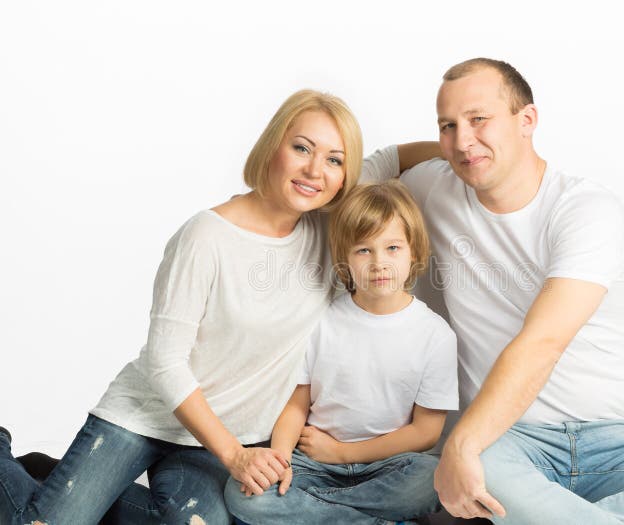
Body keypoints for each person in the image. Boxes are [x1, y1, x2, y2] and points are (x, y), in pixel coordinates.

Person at [361, 58, 624, 524]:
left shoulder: (585, 209)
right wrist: (465, 149)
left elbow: (543, 343)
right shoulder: (437, 187)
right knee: (482, 478)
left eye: (479, 119)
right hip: (507, 443)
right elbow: (385, 162)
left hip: (609, 439)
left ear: (527, 120)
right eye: (448, 126)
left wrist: (462, 446)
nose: (462, 139)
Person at [0, 89, 364, 524]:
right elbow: (165, 361)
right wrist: (235, 457)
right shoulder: (206, 236)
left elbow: (395, 162)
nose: (315, 170)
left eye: (334, 160)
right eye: (302, 148)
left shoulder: (332, 232)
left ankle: (54, 479)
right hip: (146, 417)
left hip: (226, 434)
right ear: (273, 146)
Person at [224, 180, 459, 524]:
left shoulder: (435, 334)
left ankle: (319, 514)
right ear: (345, 260)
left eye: (392, 248)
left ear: (414, 252)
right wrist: (280, 459)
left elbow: (426, 433)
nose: (379, 263)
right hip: (314, 462)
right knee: (243, 494)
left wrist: (343, 453)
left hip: (387, 465)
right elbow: (296, 403)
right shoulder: (321, 320)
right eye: (364, 250)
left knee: (433, 479)